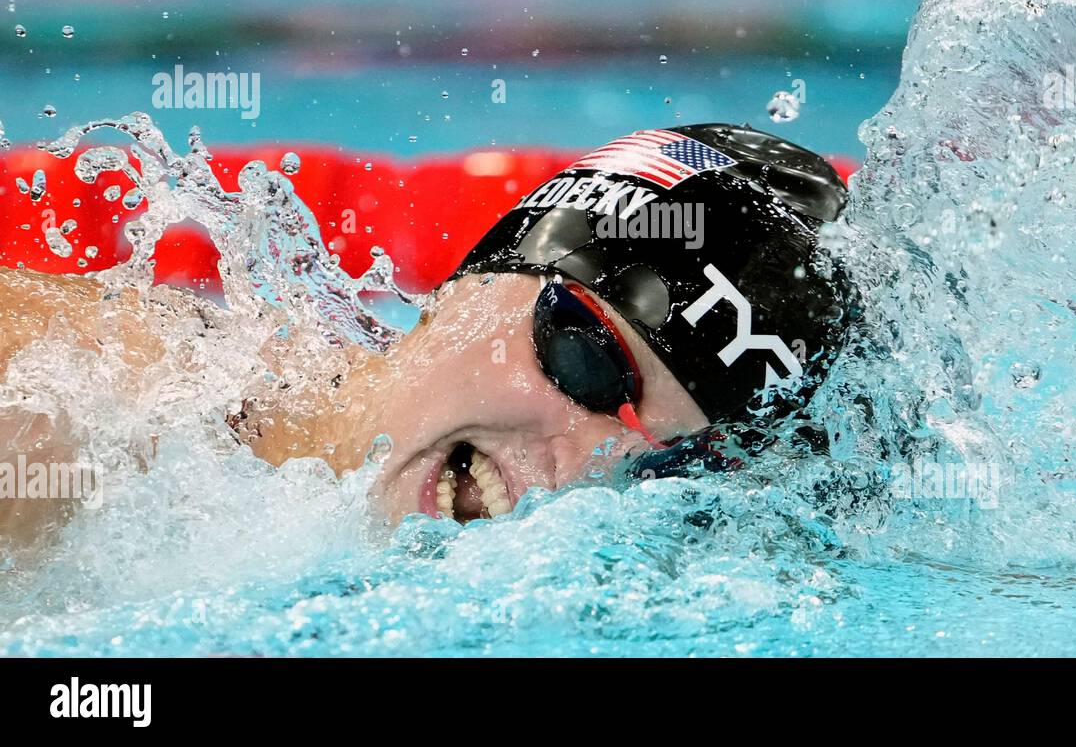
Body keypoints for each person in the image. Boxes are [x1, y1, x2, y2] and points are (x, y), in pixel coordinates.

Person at [0, 124, 850, 535]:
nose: (588, 469)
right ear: (476, 277)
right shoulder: (74, 415)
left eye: (665, 472)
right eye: (590, 362)